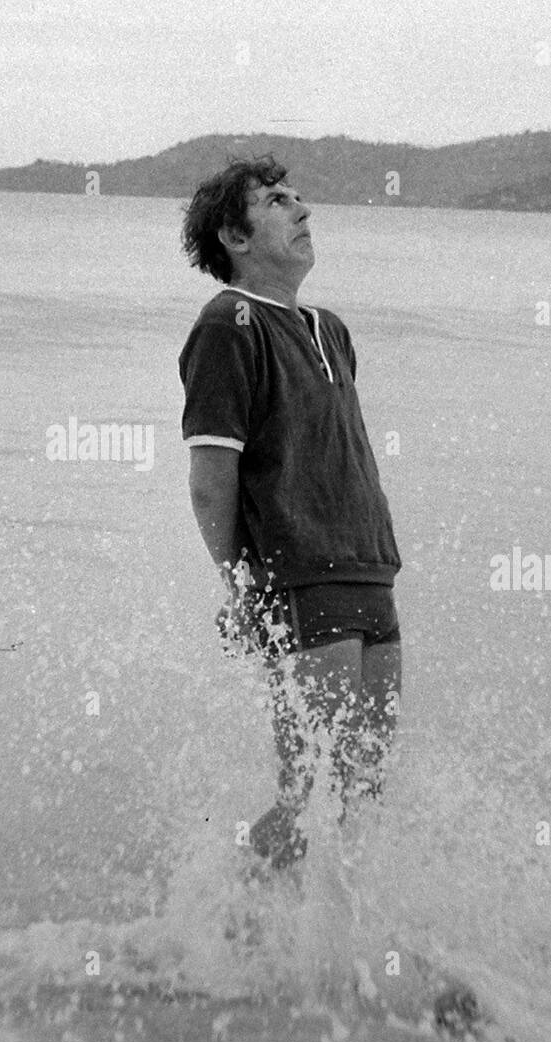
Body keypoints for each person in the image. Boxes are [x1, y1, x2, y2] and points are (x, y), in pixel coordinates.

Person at [178, 154, 403, 870]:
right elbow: (212, 479)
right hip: (303, 577)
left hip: (371, 575)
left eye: (300, 198)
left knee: (359, 793)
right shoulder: (228, 324)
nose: (302, 210)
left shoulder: (330, 329)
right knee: (306, 793)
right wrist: (239, 587)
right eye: (278, 201)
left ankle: (332, 947)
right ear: (235, 238)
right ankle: (236, 924)